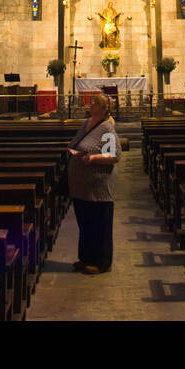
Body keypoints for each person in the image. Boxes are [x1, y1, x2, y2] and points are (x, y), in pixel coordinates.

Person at [66, 92, 120, 274]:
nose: (91, 104)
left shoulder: (107, 129)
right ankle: (86, 257)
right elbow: (77, 143)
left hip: (98, 187)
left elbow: (113, 155)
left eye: (95, 102)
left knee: (99, 224)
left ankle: (102, 262)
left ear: (104, 109)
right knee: (85, 223)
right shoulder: (85, 123)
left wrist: (93, 158)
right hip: (81, 186)